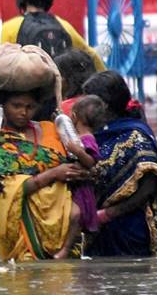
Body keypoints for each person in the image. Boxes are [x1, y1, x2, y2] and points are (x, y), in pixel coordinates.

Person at [0, 87, 89, 261]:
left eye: (30, 107)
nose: (23, 112)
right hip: (25, 236)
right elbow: (6, 190)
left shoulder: (51, 129)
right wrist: (54, 173)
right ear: (3, 105)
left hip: (65, 231)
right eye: (16, 106)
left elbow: (77, 161)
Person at [82, 70, 157, 256]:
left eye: (88, 102)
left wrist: (108, 214)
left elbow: (149, 186)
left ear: (104, 106)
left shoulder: (135, 136)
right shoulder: (95, 135)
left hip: (131, 230)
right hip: (101, 232)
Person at [1, 0, 104, 121]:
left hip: (26, 107)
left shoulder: (10, 27)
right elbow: (91, 56)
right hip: (58, 106)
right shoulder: (64, 26)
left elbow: (2, 67)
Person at [54, 95, 106, 258]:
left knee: (75, 215)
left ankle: (65, 250)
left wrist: (78, 151)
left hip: (83, 190)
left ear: (74, 116)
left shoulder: (87, 139)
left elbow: (91, 161)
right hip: (76, 187)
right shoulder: (78, 138)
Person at [54, 49, 97, 115]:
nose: (55, 79)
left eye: (58, 75)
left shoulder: (63, 108)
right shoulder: (98, 104)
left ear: (69, 78)